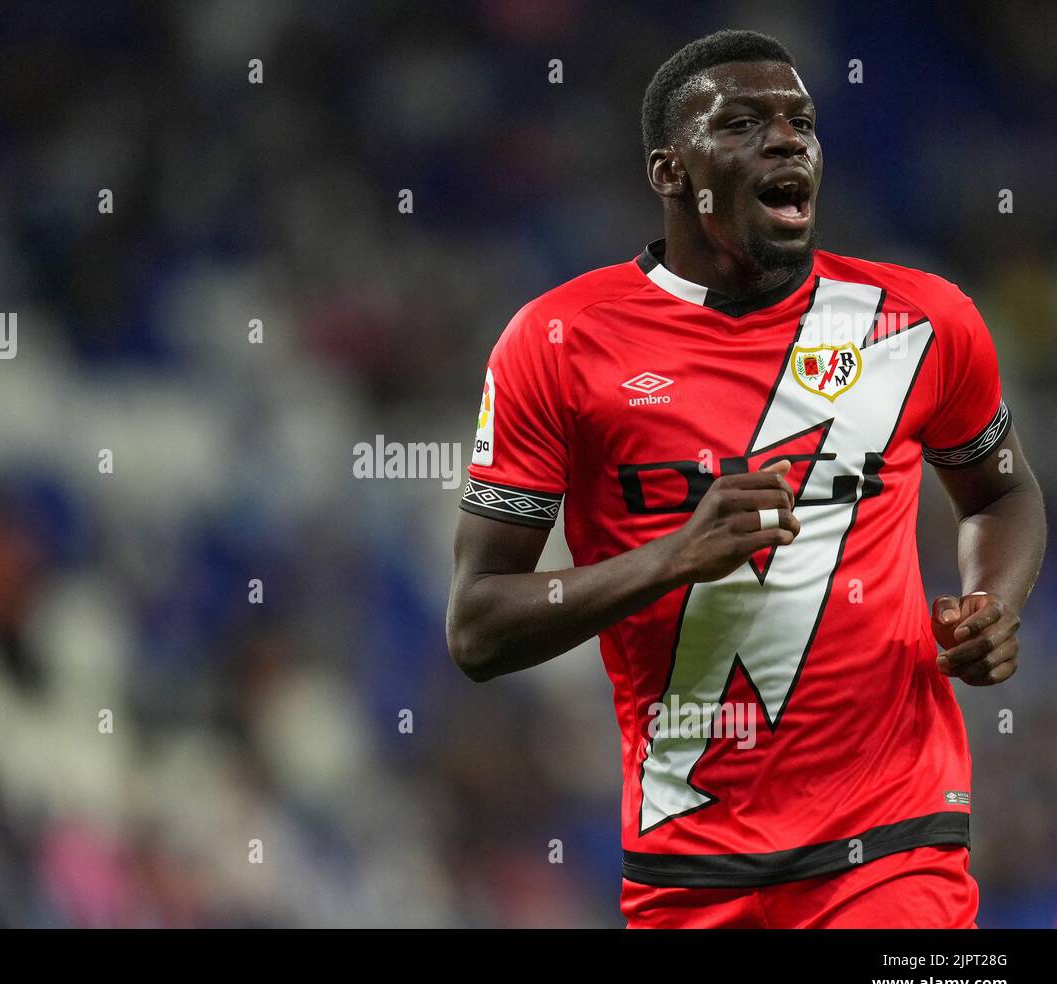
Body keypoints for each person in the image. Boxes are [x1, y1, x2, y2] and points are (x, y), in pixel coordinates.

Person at [445, 28, 1047, 928]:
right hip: (684, 867)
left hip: (890, 845)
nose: (787, 139)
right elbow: (479, 626)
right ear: (670, 172)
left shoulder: (923, 321)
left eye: (801, 122)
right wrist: (672, 558)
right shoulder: (557, 344)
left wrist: (992, 602)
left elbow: (1001, 491)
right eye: (743, 123)